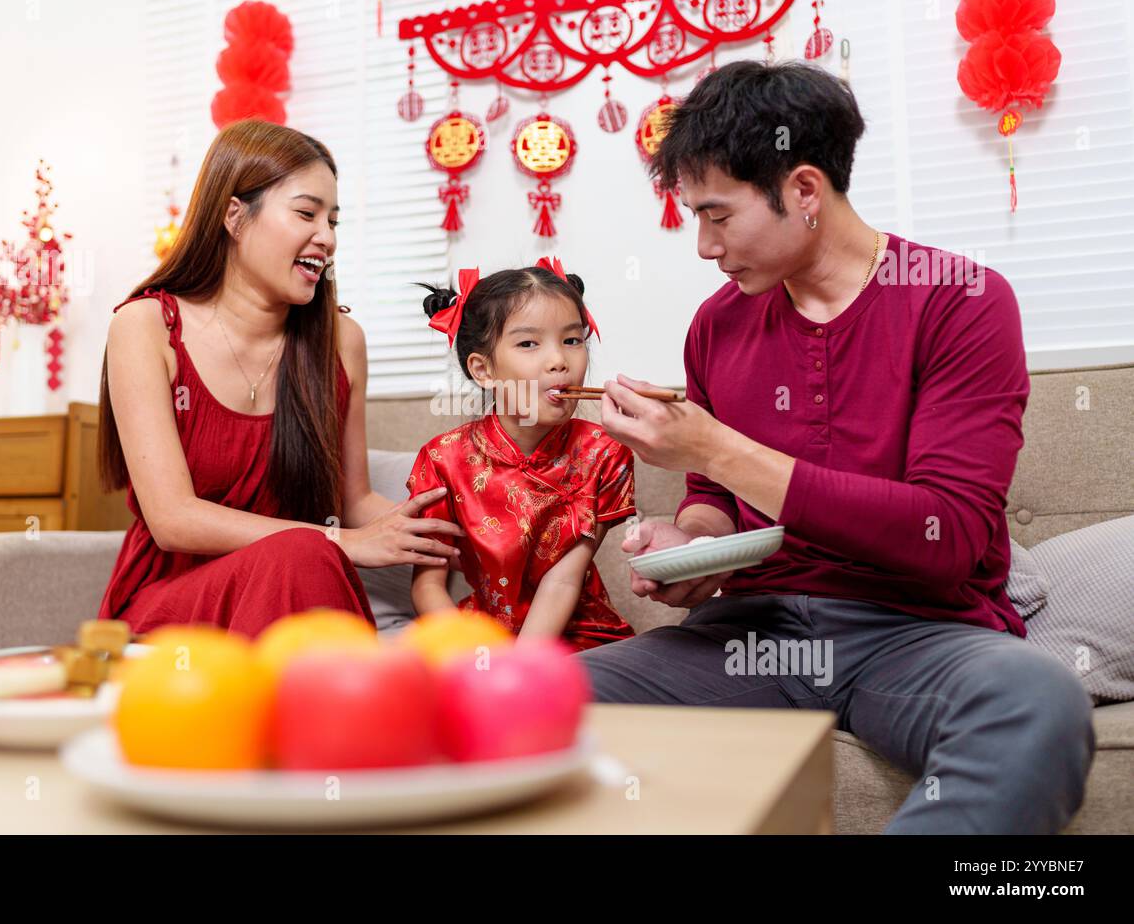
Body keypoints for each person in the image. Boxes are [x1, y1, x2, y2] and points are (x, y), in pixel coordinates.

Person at [585, 61, 1094, 833]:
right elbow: (717, 500)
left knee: (1037, 701)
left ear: (803, 192)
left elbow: (947, 535)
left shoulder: (961, 303)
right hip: (753, 636)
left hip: (919, 636)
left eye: (717, 215)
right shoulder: (718, 325)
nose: (702, 245)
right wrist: (693, 544)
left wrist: (716, 448)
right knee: (525, 702)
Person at [96, 119, 465, 637]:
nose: (328, 238)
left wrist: (458, 521)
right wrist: (343, 544)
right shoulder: (146, 326)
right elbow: (172, 518)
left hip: (293, 584)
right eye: (306, 214)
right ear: (234, 216)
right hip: (174, 604)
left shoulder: (342, 341)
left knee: (300, 557)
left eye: (334, 221)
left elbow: (354, 501)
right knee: (301, 554)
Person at [405, 258, 635, 650]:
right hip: (478, 637)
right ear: (483, 370)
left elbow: (563, 579)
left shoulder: (604, 451)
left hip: (578, 639)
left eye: (572, 340)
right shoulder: (443, 459)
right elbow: (427, 585)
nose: (559, 360)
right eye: (529, 343)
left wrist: (516, 672)